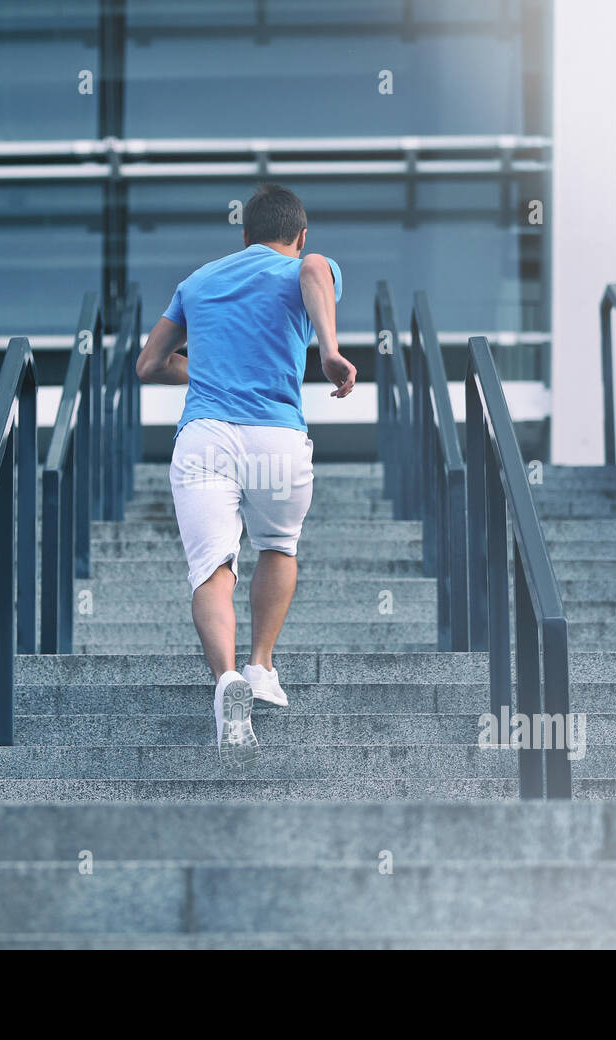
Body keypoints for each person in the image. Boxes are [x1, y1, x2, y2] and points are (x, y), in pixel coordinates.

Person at [135, 184, 356, 768]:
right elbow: (310, 270)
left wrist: (203, 370)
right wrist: (329, 350)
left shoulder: (198, 281)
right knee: (278, 547)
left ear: (244, 236)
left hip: (206, 437)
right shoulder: (309, 261)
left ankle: (226, 678)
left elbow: (148, 364)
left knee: (213, 569)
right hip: (275, 437)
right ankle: (260, 665)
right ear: (301, 233)